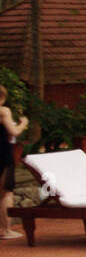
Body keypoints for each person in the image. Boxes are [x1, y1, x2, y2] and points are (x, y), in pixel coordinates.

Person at [0, 85, 30, 240]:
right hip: (3, 152)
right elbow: (14, 132)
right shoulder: (3, 110)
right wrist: (23, 123)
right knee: (6, 192)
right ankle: (5, 230)